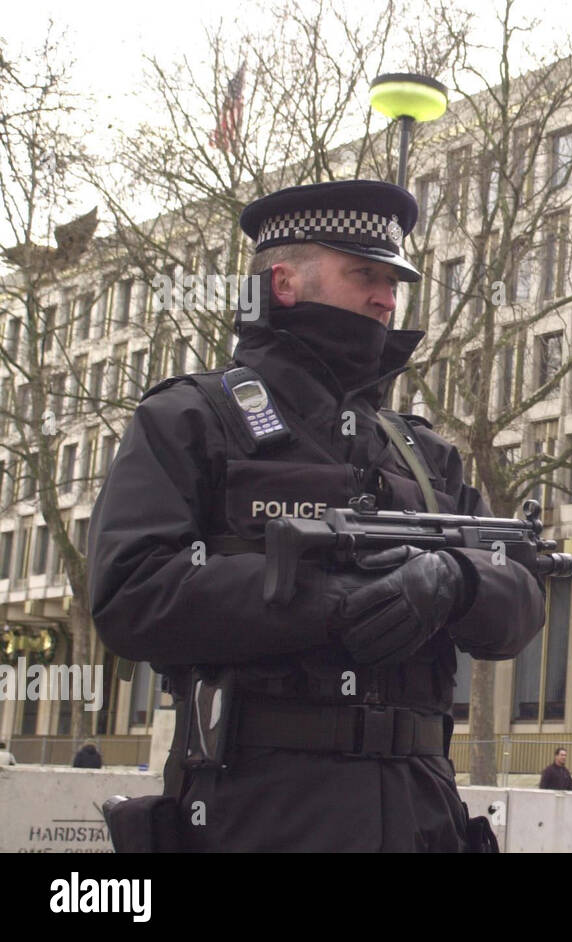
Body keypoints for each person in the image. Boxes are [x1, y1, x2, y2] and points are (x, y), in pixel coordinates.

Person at [87, 180, 546, 852]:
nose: (387, 297)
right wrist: (336, 601)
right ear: (283, 283)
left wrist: (456, 581)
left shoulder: (422, 453)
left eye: (395, 280)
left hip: (422, 809)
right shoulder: (190, 420)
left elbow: (525, 594)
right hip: (262, 809)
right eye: (365, 273)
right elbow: (131, 592)